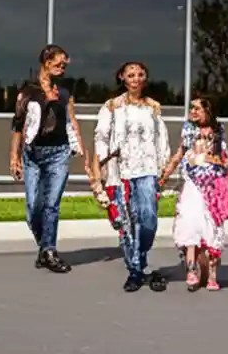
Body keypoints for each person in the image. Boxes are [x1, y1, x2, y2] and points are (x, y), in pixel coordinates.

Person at [94, 61, 172, 293]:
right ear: (122, 78)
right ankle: (135, 271)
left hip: (147, 169)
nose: (136, 78)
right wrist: (103, 166)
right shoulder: (111, 107)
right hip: (121, 170)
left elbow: (162, 139)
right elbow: (101, 137)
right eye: (131, 75)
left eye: (140, 74)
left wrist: (162, 169)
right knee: (126, 223)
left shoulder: (153, 108)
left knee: (148, 218)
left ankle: (141, 255)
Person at [10, 44, 84, 274]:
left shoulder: (64, 92)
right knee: (33, 208)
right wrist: (14, 157)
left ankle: (49, 250)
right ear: (46, 62)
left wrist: (80, 146)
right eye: (59, 63)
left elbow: (71, 120)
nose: (62, 68)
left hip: (58, 154)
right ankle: (45, 248)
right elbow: (18, 125)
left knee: (51, 205)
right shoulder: (27, 91)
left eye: (64, 65)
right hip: (33, 155)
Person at [160, 95, 228, 291]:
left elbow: (225, 159)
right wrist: (165, 175)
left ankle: (212, 275)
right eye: (191, 108)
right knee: (190, 225)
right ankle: (191, 270)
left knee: (212, 230)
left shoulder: (219, 131)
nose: (192, 111)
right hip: (192, 184)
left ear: (208, 111)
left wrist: (227, 182)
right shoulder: (188, 130)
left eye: (197, 108)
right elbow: (180, 153)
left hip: (213, 186)